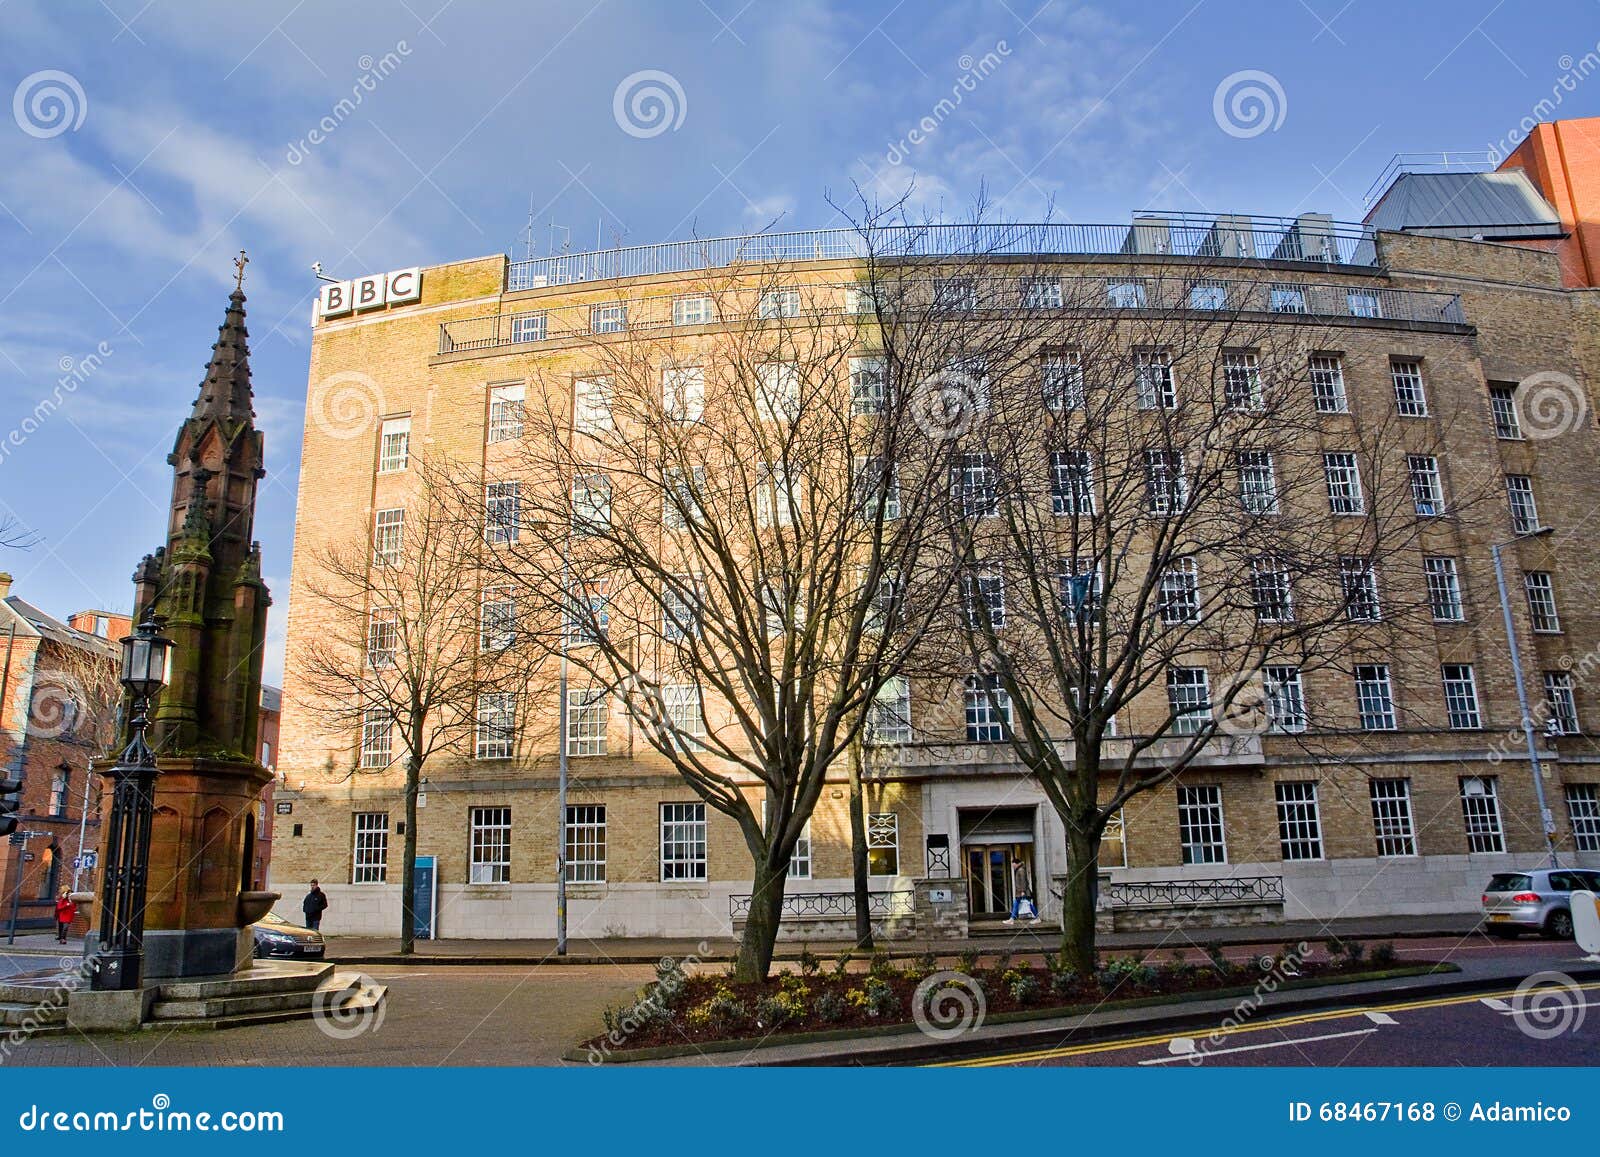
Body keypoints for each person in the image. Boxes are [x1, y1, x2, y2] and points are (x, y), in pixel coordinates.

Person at [1004, 854, 1038, 925]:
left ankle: (1037, 918)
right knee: (1018, 904)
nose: (1013, 866)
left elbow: (1023, 881)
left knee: (1028, 905)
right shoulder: (1019, 869)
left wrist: (1022, 891)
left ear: (1017, 864)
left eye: (1013, 865)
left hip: (1022, 892)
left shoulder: (1021, 870)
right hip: (1021, 892)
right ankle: (1012, 919)